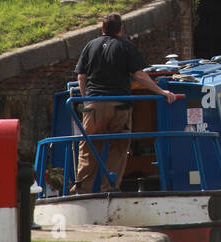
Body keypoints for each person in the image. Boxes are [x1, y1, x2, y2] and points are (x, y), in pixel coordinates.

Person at [73, 13, 180, 194]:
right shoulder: (125, 47)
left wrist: (86, 99)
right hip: (119, 107)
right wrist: (161, 91)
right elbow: (139, 75)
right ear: (121, 29)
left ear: (102, 28)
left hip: (93, 106)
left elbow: (81, 76)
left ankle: (82, 192)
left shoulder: (90, 46)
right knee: (119, 148)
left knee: (88, 150)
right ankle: (110, 188)